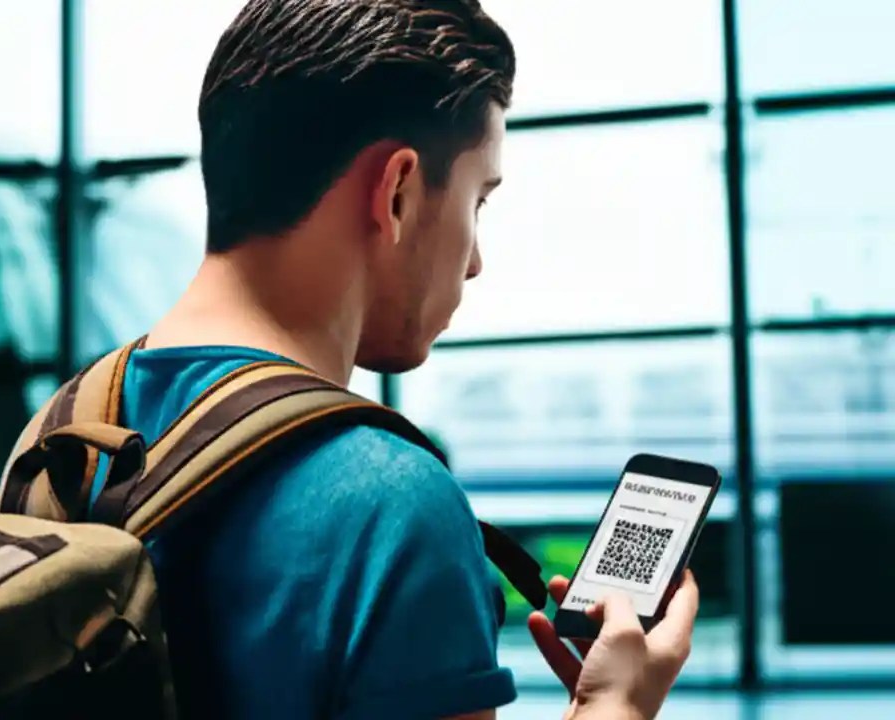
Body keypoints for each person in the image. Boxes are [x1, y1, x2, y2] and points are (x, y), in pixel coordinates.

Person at [106, 1, 699, 717]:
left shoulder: (63, 437)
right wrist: (616, 706)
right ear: (398, 192)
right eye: (478, 201)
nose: (475, 262)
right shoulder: (393, 504)